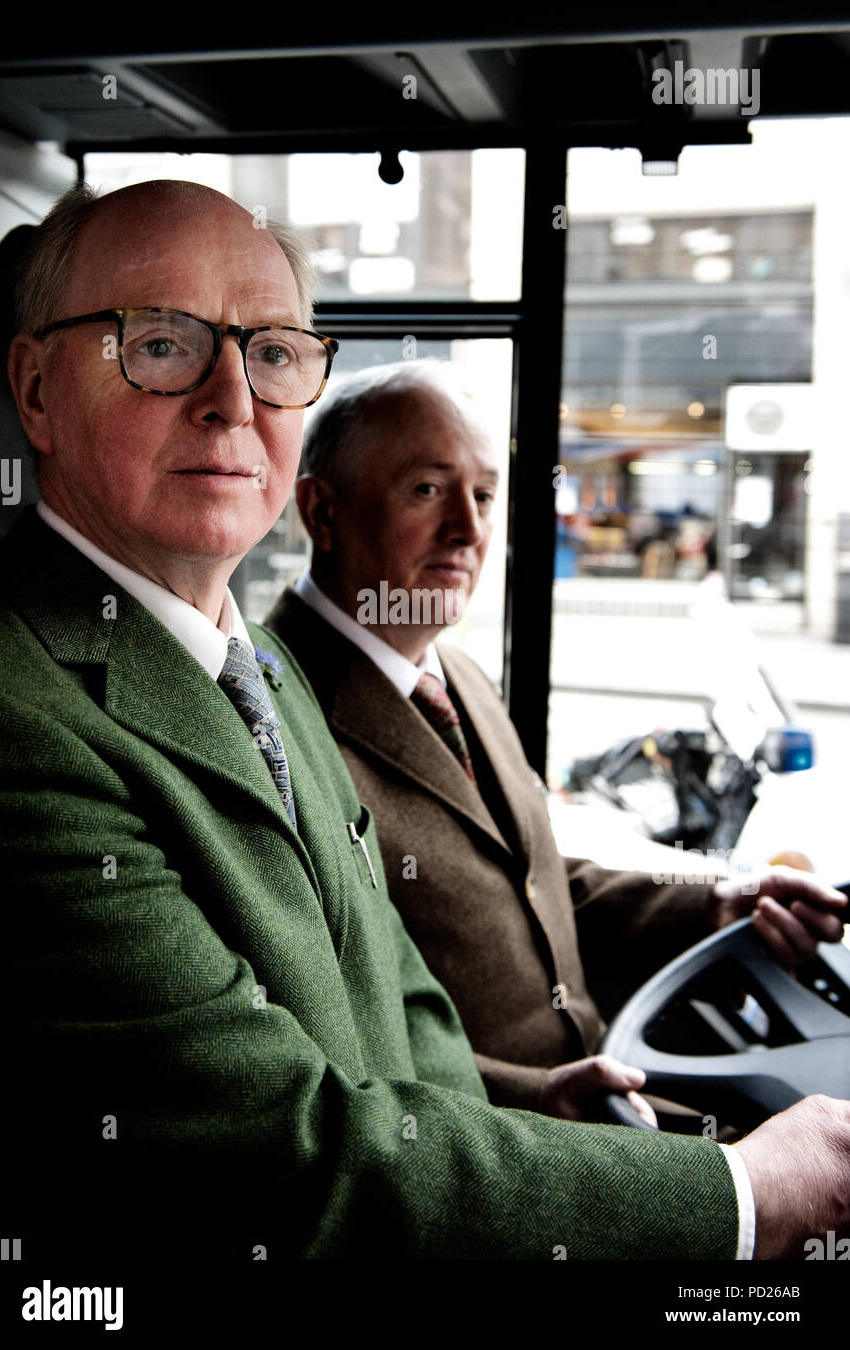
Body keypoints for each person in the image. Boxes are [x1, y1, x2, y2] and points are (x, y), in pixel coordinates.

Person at [0, 182, 848, 1265]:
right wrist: (739, 1196)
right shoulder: (4, 719)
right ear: (37, 390)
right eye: (160, 344)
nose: (231, 401)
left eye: (277, 353)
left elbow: (407, 1012)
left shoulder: (261, 668)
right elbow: (285, 1163)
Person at [266, 362, 847, 1129]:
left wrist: (714, 906)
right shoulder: (275, 716)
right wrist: (531, 1094)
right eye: (428, 490)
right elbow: (315, 1035)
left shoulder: (456, 673)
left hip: (613, 1091)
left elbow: (534, 887)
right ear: (323, 512)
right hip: (501, 1144)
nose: (470, 532)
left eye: (483, 496)